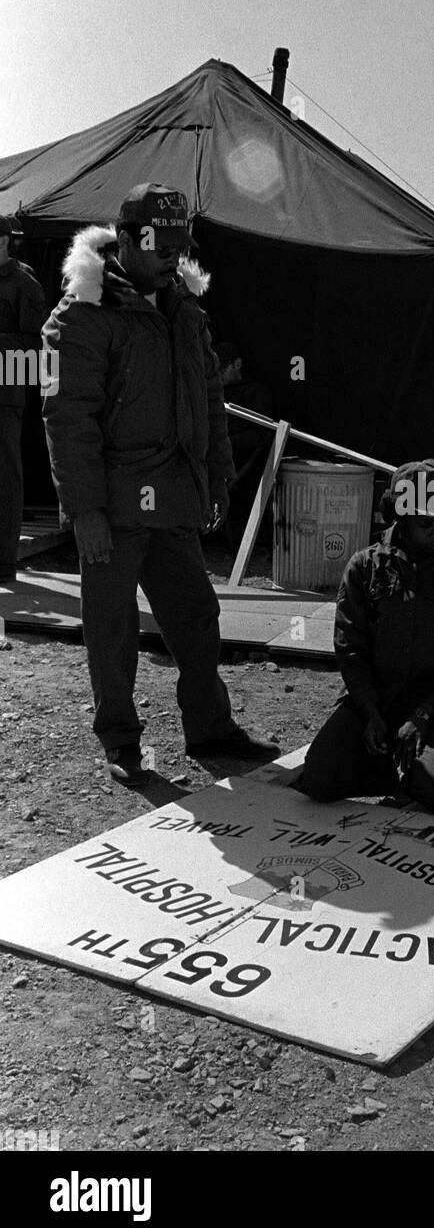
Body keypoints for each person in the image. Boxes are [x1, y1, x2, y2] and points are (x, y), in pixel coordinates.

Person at [42, 184, 279, 786]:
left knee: (196, 619)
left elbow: (208, 399)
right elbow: (68, 419)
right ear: (126, 239)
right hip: (115, 505)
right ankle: (121, 743)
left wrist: (218, 477)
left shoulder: (185, 311)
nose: (173, 253)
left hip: (173, 496)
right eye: (160, 241)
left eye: (180, 243)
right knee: (112, 629)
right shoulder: (82, 315)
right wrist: (85, 510)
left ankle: (210, 728)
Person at [297, 459, 434, 814]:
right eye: (425, 523)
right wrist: (369, 710)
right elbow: (350, 648)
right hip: (372, 703)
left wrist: (423, 714)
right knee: (319, 779)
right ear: (400, 517)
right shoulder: (364, 566)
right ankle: (386, 763)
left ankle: (417, 768)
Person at [0, 215, 47, 583]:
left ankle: (4, 560)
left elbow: (38, 350)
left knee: (5, 477)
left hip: (5, 393)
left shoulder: (24, 285)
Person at [212, 341, 275, 549]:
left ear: (237, 364)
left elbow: (263, 434)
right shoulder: (211, 392)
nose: (219, 375)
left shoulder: (254, 392)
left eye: (222, 369)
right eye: (215, 370)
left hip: (237, 459)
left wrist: (226, 442)